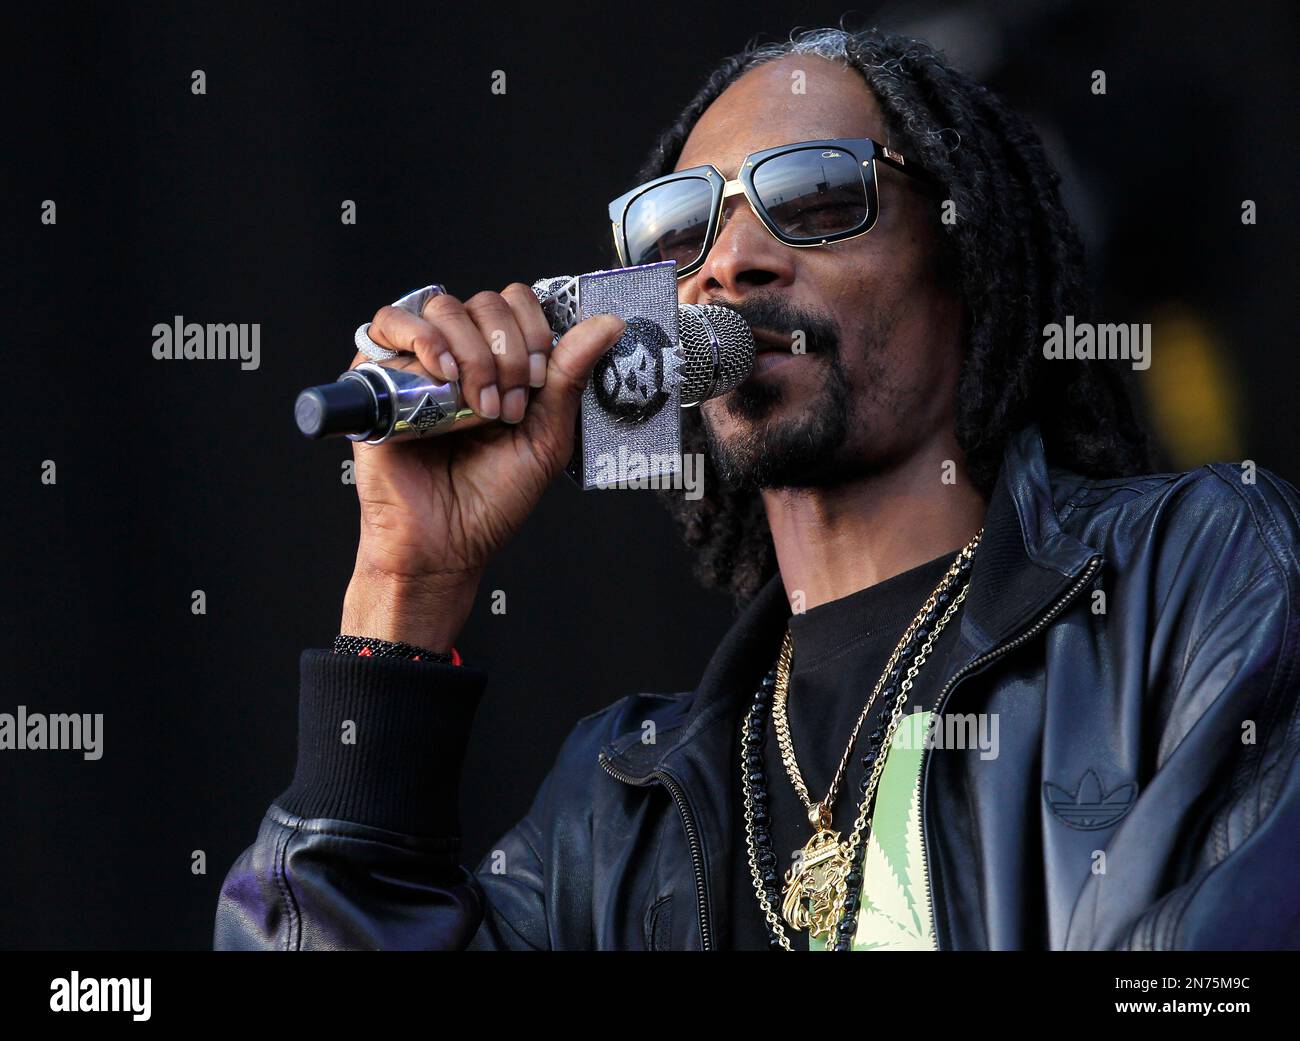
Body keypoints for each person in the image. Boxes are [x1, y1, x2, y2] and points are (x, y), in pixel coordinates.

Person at [215, 27, 1300, 950]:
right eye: (682, 230)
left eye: (818, 197)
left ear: (967, 252)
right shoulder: (615, 805)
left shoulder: (1187, 568)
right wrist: (406, 586)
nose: (730, 262)